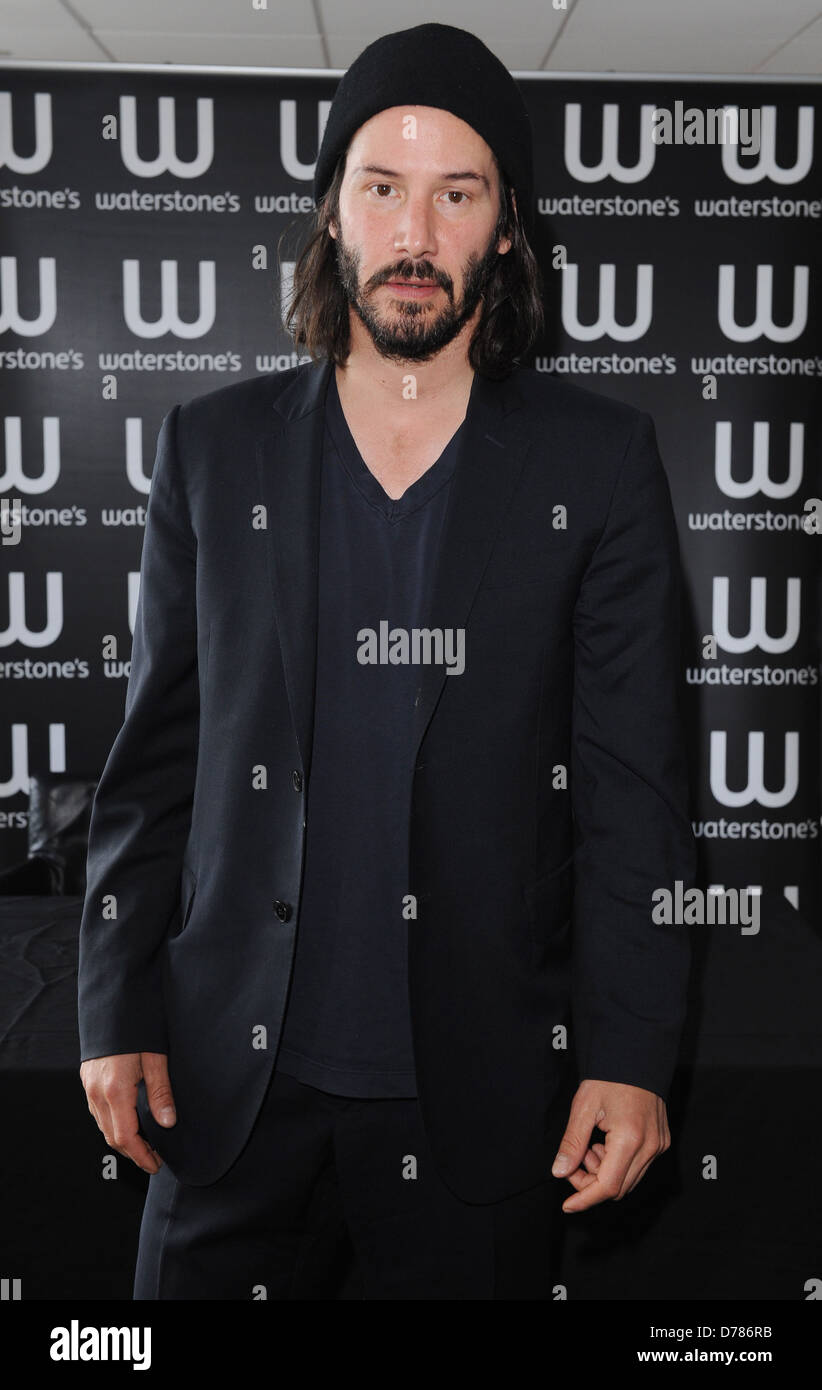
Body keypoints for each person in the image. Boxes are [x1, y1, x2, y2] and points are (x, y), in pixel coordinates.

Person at [78, 22, 697, 1300]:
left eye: (456, 193)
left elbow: (635, 799)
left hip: (477, 1099)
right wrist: (115, 1007)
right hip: (229, 1089)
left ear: (506, 228)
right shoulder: (212, 449)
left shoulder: (598, 465)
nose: (415, 234)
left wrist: (632, 1051)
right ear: (332, 216)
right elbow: (156, 765)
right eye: (382, 186)